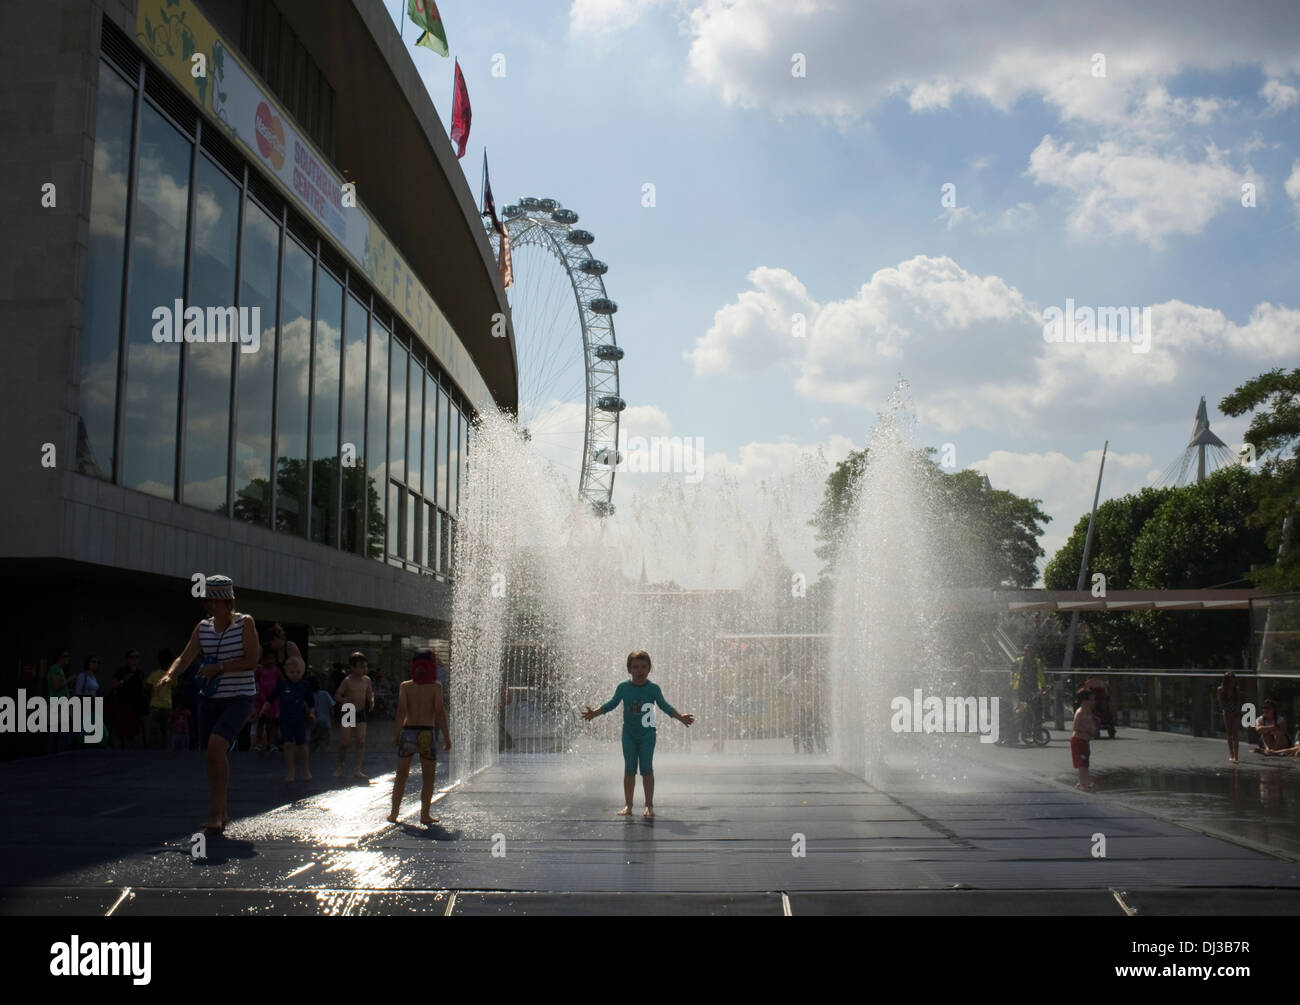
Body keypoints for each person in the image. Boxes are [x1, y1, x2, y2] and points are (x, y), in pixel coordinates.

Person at [156, 574, 259, 832]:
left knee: (215, 748)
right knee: (212, 756)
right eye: (207, 600)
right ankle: (221, 811)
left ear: (227, 601)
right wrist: (169, 675)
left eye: (215, 600)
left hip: (239, 697)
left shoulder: (245, 623)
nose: (210, 605)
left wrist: (219, 667)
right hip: (210, 699)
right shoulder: (203, 628)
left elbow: (251, 660)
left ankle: (216, 814)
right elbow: (186, 656)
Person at [581, 650, 694, 818]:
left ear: (649, 669)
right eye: (635, 667)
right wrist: (595, 713)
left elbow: (664, 706)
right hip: (629, 735)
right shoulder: (623, 688)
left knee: (647, 768)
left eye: (643, 667)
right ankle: (628, 805)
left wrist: (680, 717)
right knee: (629, 769)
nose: (639, 671)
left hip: (648, 735)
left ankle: (649, 805)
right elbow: (611, 704)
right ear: (629, 669)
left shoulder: (653, 689)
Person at [388, 649, 450, 826]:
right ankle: (424, 814)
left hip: (409, 732)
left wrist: (395, 735)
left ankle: (394, 813)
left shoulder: (405, 686)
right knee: (428, 777)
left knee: (401, 775)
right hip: (426, 733)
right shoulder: (435, 686)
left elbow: (401, 712)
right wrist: (446, 737)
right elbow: (439, 712)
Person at [266, 659, 315, 781]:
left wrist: (311, 713)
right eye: (292, 672)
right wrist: (263, 708)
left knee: (302, 744)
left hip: (299, 719)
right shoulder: (282, 685)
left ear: (303, 672)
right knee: (287, 744)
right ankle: (290, 771)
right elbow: (271, 698)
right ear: (286, 672)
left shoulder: (304, 685)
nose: (295, 675)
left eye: (298, 672)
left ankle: (305, 769)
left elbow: (311, 701)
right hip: (285, 719)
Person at [334, 652, 374, 779]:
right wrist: (343, 701)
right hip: (349, 710)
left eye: (366, 667)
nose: (364, 669)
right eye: (361, 667)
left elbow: (369, 693)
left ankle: (357, 769)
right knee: (345, 742)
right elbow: (337, 695)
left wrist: (371, 700)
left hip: (361, 711)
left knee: (361, 741)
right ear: (352, 668)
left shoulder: (367, 680)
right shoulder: (347, 681)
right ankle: (341, 765)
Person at [109, 650, 146, 749]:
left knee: (131, 733)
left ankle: (128, 755)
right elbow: (113, 684)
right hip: (122, 705)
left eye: (136, 657)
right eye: (131, 657)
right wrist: (123, 680)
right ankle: (117, 752)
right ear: (127, 659)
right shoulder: (121, 671)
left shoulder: (140, 673)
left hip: (135, 707)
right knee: (119, 730)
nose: (134, 659)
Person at [253, 645, 282, 752]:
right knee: (261, 723)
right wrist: (256, 695)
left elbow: (281, 685)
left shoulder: (277, 671)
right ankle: (258, 743)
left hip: (273, 702)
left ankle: (272, 743)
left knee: (272, 723)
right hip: (261, 700)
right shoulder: (260, 670)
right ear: (263, 659)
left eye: (272, 658)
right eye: (267, 658)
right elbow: (254, 683)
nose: (270, 661)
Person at [145, 648, 175, 749]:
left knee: (154, 729)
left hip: (155, 705)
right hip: (167, 705)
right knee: (165, 730)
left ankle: (154, 749)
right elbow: (175, 687)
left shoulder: (154, 674)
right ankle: (166, 749)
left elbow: (147, 686)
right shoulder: (172, 675)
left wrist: (152, 694)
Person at [47, 650, 72, 754]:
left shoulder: (60, 669)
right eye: (65, 656)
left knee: (60, 731)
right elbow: (56, 686)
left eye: (68, 656)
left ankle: (57, 755)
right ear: (60, 658)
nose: (67, 658)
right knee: (57, 732)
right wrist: (69, 680)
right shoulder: (55, 668)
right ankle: (55, 756)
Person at [1072, 686, 1097, 791]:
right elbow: (1076, 727)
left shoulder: (1088, 711)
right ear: (1084, 701)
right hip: (1079, 740)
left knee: (1085, 762)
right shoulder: (1080, 712)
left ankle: (1084, 782)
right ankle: (1082, 784)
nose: (1093, 702)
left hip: (1084, 741)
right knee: (1082, 763)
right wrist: (1088, 730)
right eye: (1091, 700)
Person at [1217, 671, 1242, 764]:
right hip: (1226, 712)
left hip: (1235, 712)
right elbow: (1221, 703)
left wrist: (1235, 712)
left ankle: (1236, 756)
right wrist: (1227, 711)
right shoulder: (1220, 689)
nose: (1233, 682)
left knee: (1235, 733)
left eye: (1233, 680)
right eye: (1231, 680)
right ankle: (1231, 754)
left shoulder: (1236, 689)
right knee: (1229, 733)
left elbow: (1238, 702)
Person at [311, 676, 335, 751]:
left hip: (314, 721)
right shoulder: (325, 693)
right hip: (325, 721)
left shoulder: (309, 696)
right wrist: (332, 717)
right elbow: (331, 707)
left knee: (314, 742)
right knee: (325, 742)